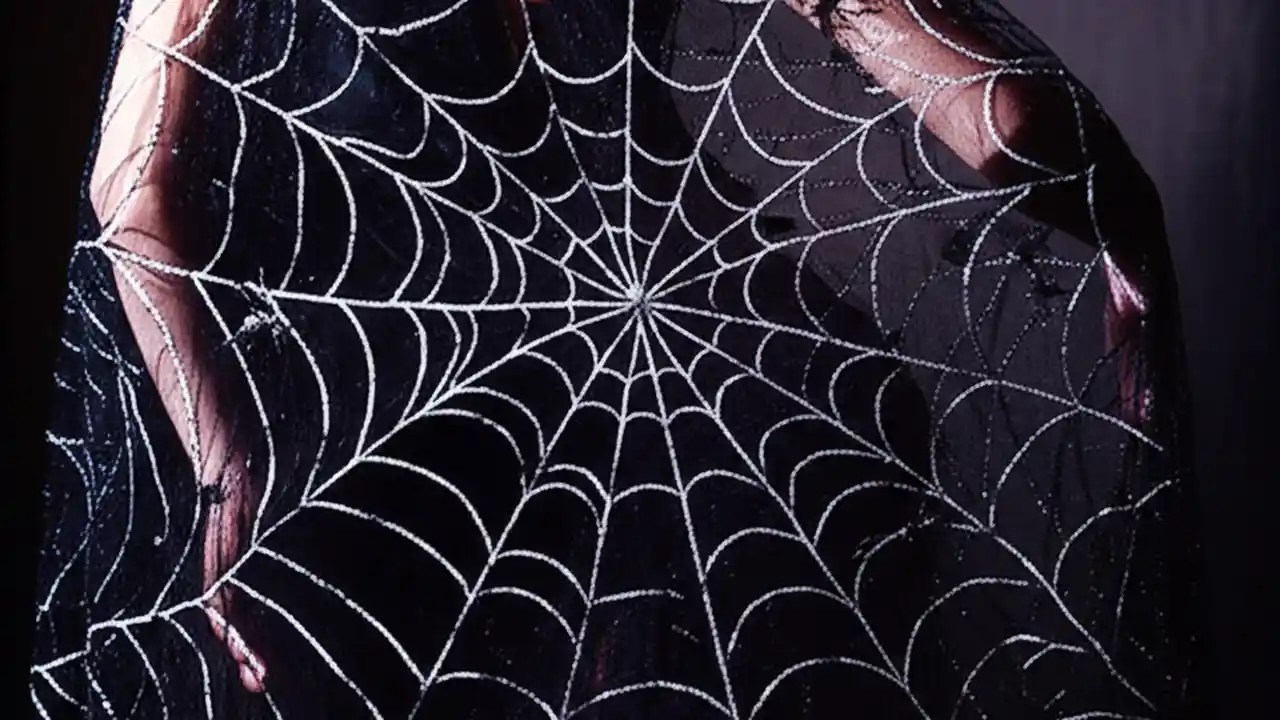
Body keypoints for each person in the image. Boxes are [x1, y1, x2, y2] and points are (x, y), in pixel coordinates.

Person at [59, 0, 1198, 716]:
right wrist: (1121, 206)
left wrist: (229, 457)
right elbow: (992, 119)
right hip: (521, 405)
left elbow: (132, 179)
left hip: (387, 418)